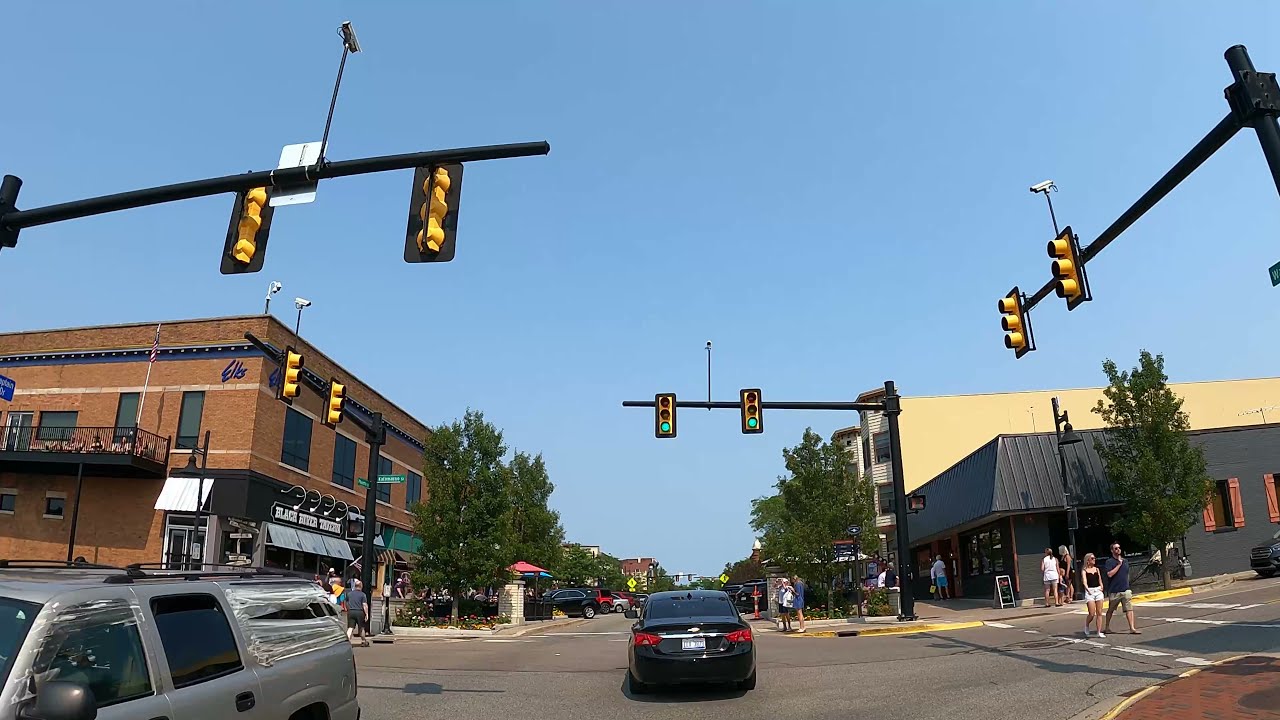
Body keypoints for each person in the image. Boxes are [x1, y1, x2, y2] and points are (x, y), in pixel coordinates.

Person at [1103, 542, 1140, 634]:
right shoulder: (1109, 562)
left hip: (1125, 589)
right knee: (1111, 610)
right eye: (1115, 548)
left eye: (1119, 548)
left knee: (1129, 608)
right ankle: (1107, 627)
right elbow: (1109, 574)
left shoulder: (1125, 561)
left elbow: (1126, 574)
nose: (1118, 549)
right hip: (1114, 591)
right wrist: (1119, 565)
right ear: (1112, 550)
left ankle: (1132, 628)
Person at [1080, 553, 1105, 638]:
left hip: (1098, 590)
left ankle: (1098, 632)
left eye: (1094, 558)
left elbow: (1100, 579)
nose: (1094, 560)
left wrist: (1101, 586)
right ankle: (1087, 625)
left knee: (1099, 612)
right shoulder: (1084, 570)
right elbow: (1084, 581)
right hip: (1090, 591)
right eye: (1092, 558)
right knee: (1092, 613)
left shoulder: (1097, 569)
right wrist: (1087, 589)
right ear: (1088, 560)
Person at [346, 579, 371, 647]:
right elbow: (364, 605)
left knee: (350, 628)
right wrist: (367, 614)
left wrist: (348, 609)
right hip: (360, 612)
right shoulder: (363, 595)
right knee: (361, 627)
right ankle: (363, 641)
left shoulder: (349, 594)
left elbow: (347, 603)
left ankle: (347, 641)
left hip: (351, 611)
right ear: (361, 586)